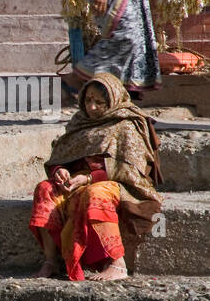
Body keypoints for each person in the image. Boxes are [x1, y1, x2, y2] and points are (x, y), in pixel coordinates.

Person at [31, 73, 162, 282]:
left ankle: (117, 264)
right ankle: (51, 261)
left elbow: (129, 168)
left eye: (99, 103)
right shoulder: (79, 121)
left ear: (112, 100)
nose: (91, 107)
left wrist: (89, 178)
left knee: (96, 193)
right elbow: (61, 155)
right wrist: (60, 171)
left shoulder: (127, 124)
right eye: (88, 100)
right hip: (75, 182)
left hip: (118, 183)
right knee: (44, 189)